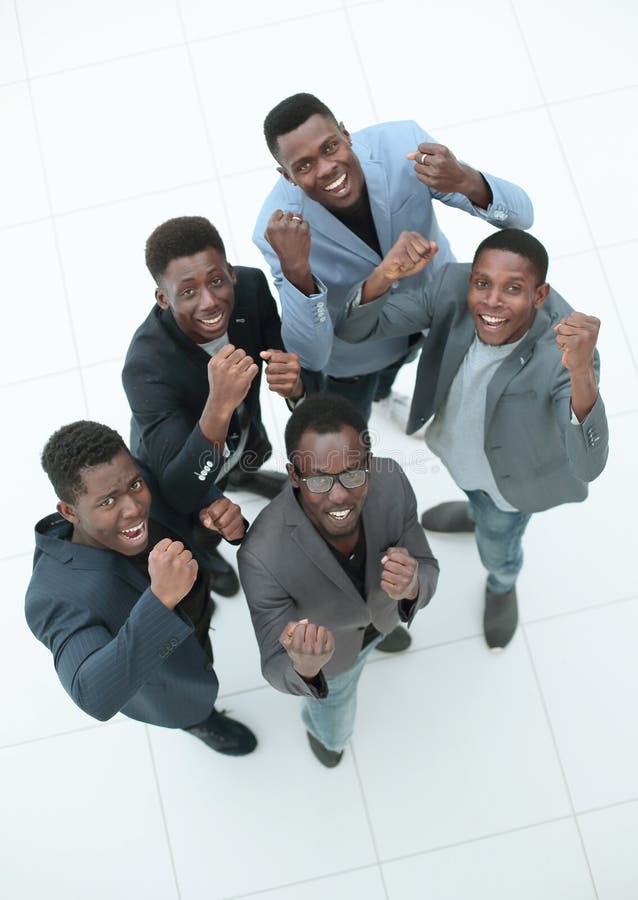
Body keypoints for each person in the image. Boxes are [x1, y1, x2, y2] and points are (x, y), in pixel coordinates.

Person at [335, 228, 609, 649]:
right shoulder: (451, 285)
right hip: (459, 455)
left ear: (539, 295)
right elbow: (354, 329)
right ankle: (474, 509)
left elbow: (589, 464)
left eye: (513, 288)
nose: (492, 301)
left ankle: (502, 583)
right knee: (474, 493)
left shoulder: (566, 352)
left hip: (510, 488)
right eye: (483, 283)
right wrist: (384, 275)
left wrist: (581, 373)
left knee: (498, 546)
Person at [253, 92, 534, 421]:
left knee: (397, 371)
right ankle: (374, 399)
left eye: (330, 147)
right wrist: (297, 270)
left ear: (346, 134)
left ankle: (384, 396)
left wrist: (465, 180)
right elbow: (311, 356)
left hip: (427, 316)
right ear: (287, 175)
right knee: (352, 421)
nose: (326, 168)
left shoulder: (404, 145)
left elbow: (522, 217)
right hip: (357, 356)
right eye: (304, 166)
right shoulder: (276, 229)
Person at [24, 420, 257, 755]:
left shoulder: (141, 472)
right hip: (168, 671)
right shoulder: (53, 596)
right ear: (69, 512)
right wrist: (161, 601)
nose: (134, 508)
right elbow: (93, 695)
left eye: (134, 485)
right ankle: (201, 721)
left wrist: (216, 514)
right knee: (192, 705)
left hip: (197, 604)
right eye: (108, 502)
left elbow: (186, 489)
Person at [237, 394, 439, 767]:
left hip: (383, 615)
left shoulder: (390, 479)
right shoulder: (260, 554)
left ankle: (379, 635)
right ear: (294, 476)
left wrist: (412, 588)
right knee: (335, 713)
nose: (339, 496)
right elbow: (274, 662)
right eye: (318, 480)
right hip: (331, 661)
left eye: (353, 474)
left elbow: (425, 564)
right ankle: (328, 739)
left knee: (381, 628)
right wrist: (305, 667)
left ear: (369, 463)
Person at [123, 215, 318, 597]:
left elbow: (289, 358)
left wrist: (296, 386)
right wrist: (219, 405)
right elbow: (181, 488)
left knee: (245, 458)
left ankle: (242, 475)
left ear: (230, 272)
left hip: (243, 436)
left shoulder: (251, 286)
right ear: (164, 299)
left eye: (216, 281)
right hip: (181, 462)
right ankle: (208, 554)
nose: (210, 302)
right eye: (188, 291)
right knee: (203, 524)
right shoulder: (144, 365)